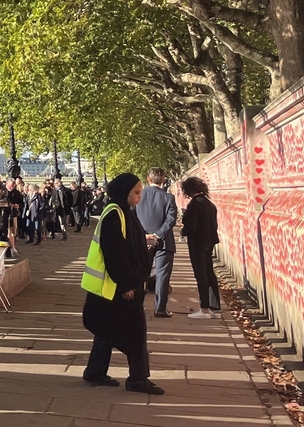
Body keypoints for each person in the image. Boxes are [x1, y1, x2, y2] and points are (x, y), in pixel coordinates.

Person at [80, 173, 164, 395]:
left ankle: (95, 371)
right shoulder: (115, 214)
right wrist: (127, 285)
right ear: (125, 192)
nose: (140, 196)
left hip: (111, 288)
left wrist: (143, 240)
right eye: (136, 192)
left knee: (107, 329)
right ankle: (137, 379)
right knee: (136, 334)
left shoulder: (121, 211)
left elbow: (126, 242)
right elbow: (114, 252)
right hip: (117, 287)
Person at [136, 167, 178, 318]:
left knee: (140, 274)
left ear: (148, 179)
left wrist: (145, 235)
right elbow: (171, 220)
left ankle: (137, 308)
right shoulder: (169, 198)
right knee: (163, 275)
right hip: (164, 241)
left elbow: (133, 218)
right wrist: (158, 234)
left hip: (143, 240)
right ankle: (160, 308)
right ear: (163, 179)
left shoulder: (139, 196)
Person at [180, 176, 222, 319]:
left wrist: (183, 230)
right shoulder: (210, 204)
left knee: (201, 274)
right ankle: (214, 307)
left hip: (197, 242)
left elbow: (191, 226)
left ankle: (204, 308)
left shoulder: (194, 205)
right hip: (209, 241)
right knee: (209, 272)